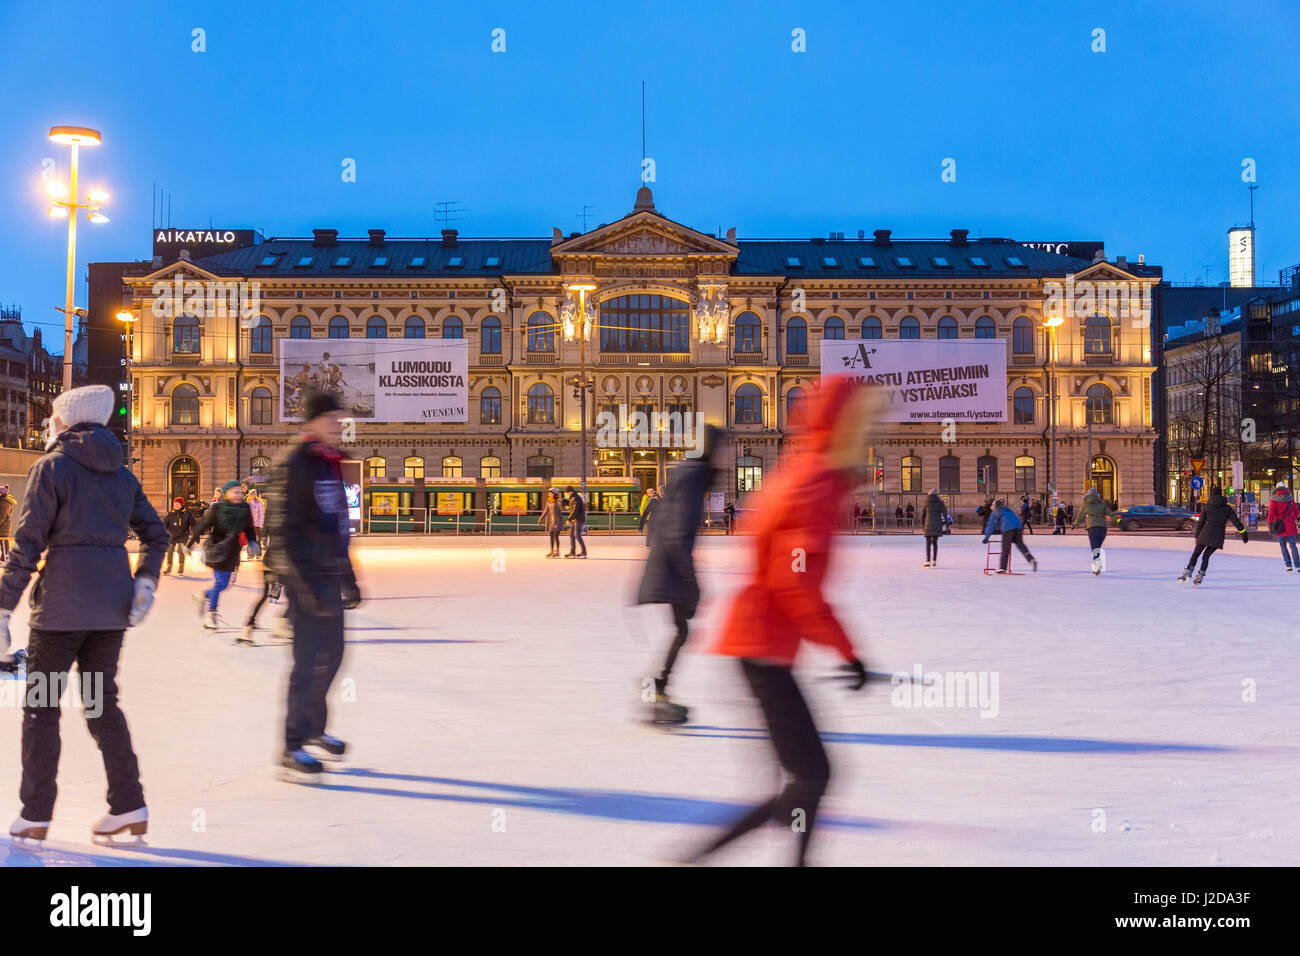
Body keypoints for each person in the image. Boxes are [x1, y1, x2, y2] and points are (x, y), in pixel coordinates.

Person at [693, 379, 871, 867]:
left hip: (760, 643)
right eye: (862, 421)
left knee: (805, 776)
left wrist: (845, 651)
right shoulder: (813, 485)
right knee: (812, 775)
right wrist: (848, 653)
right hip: (760, 644)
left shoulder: (809, 473)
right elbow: (795, 582)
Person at [1, 385, 167, 845]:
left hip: (60, 613)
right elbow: (158, 536)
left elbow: (27, 545)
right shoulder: (122, 475)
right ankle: (129, 804)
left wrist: (3, 605)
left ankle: (35, 814)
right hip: (109, 612)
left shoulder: (50, 467)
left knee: (41, 709)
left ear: (63, 422)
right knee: (100, 705)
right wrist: (145, 581)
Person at [266, 388, 362, 778]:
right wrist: (301, 587)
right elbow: (281, 531)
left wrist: (349, 578)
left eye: (341, 419)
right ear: (313, 421)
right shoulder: (294, 463)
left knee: (335, 658)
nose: (340, 425)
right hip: (304, 579)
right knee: (306, 665)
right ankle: (291, 746)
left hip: (328, 577)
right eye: (333, 419)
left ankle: (314, 729)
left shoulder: (331, 463)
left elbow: (337, 526)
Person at [636, 426, 720, 724]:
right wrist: (690, 580)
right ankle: (656, 690)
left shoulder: (686, 474)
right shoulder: (693, 479)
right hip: (669, 567)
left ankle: (656, 687)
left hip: (666, 565)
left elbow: (667, 528)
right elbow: (677, 534)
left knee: (682, 630)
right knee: (682, 631)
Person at [188, 480, 258, 630]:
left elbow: (249, 528)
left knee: (225, 585)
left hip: (233, 551)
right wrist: (190, 544)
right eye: (235, 492)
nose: (239, 495)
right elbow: (203, 526)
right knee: (220, 584)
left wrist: (253, 542)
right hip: (217, 550)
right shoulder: (218, 508)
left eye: (241, 492)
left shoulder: (245, 508)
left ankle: (204, 595)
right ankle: (211, 615)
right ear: (226, 493)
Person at [1179, 485, 1246, 586]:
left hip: (1205, 533)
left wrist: (1197, 536)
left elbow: (1201, 523)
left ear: (1212, 494)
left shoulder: (1207, 506)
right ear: (1220, 494)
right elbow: (1236, 521)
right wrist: (1243, 532)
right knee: (1206, 556)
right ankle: (1200, 575)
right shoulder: (1227, 508)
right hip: (1218, 536)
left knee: (1196, 554)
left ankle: (1188, 571)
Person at [240, 536, 290, 645]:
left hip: (269, 563)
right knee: (296, 595)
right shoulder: (294, 526)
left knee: (266, 595)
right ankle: (281, 625)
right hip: (279, 566)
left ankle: (248, 627)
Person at [983, 497, 1038, 573]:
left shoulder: (996, 511)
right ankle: (1031, 559)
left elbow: (991, 525)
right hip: (1018, 527)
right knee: (1020, 545)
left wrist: (986, 537)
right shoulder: (1008, 510)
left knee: (1005, 548)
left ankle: (1002, 567)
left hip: (1008, 529)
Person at [1073, 488, 1118, 575]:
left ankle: (1097, 567)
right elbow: (1111, 514)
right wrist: (1119, 520)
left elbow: (1080, 516)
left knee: (1095, 548)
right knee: (1097, 548)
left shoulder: (1086, 505)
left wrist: (1075, 525)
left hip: (1092, 528)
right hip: (1102, 528)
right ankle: (1097, 565)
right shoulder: (1102, 504)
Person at [1266, 481, 1299, 572]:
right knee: (1293, 545)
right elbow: (1296, 511)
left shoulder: (1274, 499)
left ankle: (1288, 565)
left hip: (1279, 526)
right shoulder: (1290, 498)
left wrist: (1269, 522)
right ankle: (1298, 565)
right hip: (1290, 525)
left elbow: (1271, 512)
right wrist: (1291, 517)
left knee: (1283, 545)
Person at [162, 496, 194, 575]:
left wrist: (196, 533)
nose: (175, 505)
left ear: (182, 505)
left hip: (183, 535)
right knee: (169, 550)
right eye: (174, 504)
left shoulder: (187, 513)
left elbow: (193, 524)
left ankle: (181, 566)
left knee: (180, 549)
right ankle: (169, 567)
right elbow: (165, 524)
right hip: (173, 535)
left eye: (177, 504)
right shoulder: (171, 513)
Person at [920, 489, 947, 567]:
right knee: (935, 542)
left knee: (928, 543)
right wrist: (947, 525)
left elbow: (922, 515)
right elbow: (945, 514)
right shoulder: (940, 503)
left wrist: (922, 525)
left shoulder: (926, 502)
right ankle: (934, 560)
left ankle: (928, 561)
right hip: (937, 525)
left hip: (928, 525)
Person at [539, 489, 564, 557]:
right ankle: (552, 551)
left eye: (551, 493)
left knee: (556, 536)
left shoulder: (558, 501)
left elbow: (562, 509)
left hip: (558, 521)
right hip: (552, 522)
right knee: (551, 536)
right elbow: (546, 511)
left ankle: (557, 551)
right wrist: (541, 518)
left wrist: (561, 503)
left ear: (554, 494)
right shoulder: (549, 501)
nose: (549, 494)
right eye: (549, 493)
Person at [564, 486, 587, 558]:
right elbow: (572, 507)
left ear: (570, 492)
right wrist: (565, 502)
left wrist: (569, 519)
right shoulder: (573, 498)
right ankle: (572, 552)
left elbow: (575, 510)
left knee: (577, 535)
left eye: (567, 492)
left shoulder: (575, 498)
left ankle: (583, 552)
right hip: (575, 520)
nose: (567, 494)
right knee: (571, 535)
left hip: (578, 519)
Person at [0, 484, 13, 561]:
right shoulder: (2, 501)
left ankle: (5, 560)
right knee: (3, 543)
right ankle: (3, 559)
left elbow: (2, 516)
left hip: (3, 527)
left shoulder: (5, 502)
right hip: (2, 526)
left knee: (4, 543)